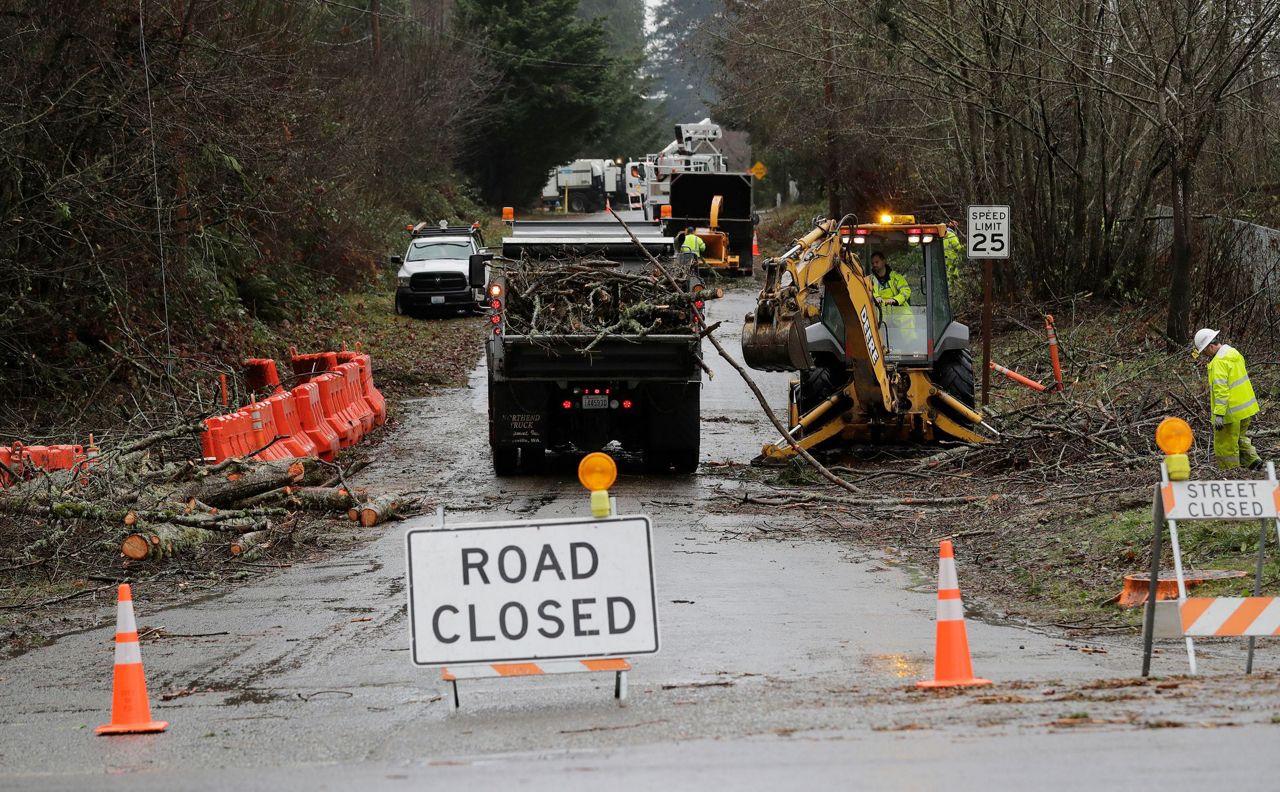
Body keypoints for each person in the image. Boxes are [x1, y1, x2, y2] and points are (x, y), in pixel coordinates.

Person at [1194, 328, 1263, 471]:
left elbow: (1221, 390)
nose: (1205, 356)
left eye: (1205, 352)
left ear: (1211, 346)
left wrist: (1219, 414)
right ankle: (1252, 461)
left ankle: (1231, 473)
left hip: (1229, 412)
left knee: (1225, 445)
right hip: (1245, 409)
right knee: (1239, 437)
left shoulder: (1219, 362)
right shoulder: (1233, 353)